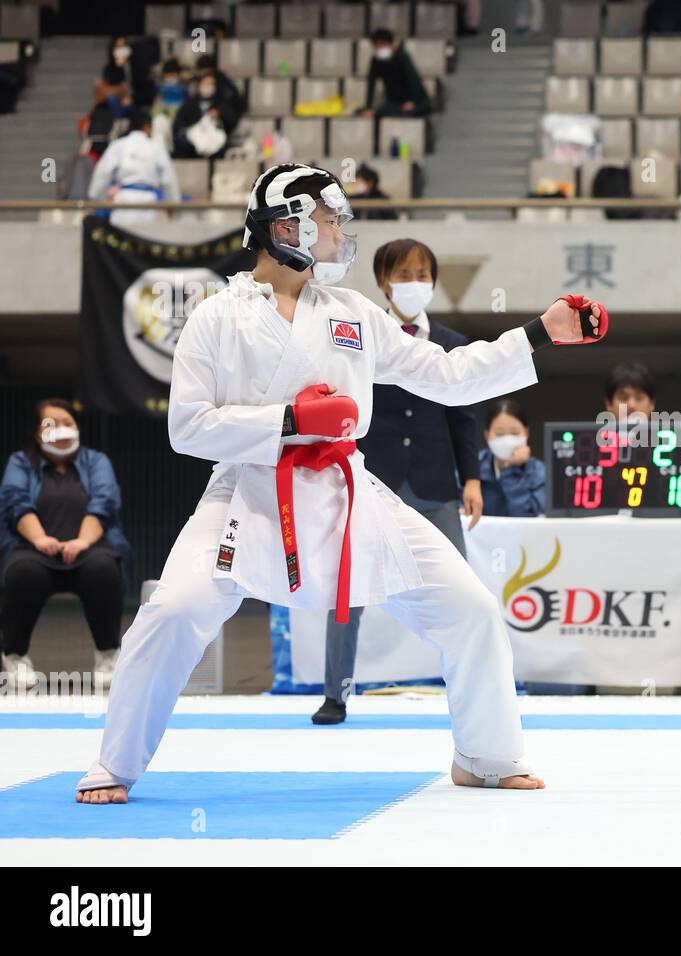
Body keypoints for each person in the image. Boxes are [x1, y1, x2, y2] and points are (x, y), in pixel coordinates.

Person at [74, 163, 608, 804]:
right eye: (328, 219)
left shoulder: (353, 313)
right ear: (285, 225)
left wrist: (538, 332)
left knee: (468, 607)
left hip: (346, 489)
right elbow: (188, 429)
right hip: (247, 490)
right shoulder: (218, 317)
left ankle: (485, 756)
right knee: (173, 610)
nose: (338, 231)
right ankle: (115, 764)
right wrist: (289, 421)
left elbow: (446, 373)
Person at [311, 237, 488, 725]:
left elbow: (464, 417)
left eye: (422, 274)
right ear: (384, 281)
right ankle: (335, 693)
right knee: (347, 593)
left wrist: (471, 478)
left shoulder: (452, 343)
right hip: (371, 482)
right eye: (404, 274)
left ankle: (471, 697)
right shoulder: (357, 337)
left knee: (461, 595)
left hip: (436, 485)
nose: (414, 283)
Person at [1, 399, 131, 690]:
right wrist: (40, 539)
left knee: (103, 570)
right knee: (22, 574)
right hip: (33, 549)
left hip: (89, 547)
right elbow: (15, 503)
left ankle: (108, 654)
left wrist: (82, 541)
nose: (61, 429)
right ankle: (15, 655)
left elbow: (105, 502)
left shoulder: (96, 461)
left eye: (67, 423)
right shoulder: (20, 463)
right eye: (51, 424)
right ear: (37, 433)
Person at [87, 108, 181, 224]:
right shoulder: (156, 148)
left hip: (124, 201)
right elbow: (168, 180)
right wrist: (172, 205)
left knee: (123, 238)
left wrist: (96, 199)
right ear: (147, 127)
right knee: (145, 239)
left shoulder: (118, 145)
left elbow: (102, 174)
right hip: (149, 202)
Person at [478, 397, 546, 517]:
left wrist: (510, 470)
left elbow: (529, 518)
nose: (507, 440)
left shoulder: (539, 472)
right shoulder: (473, 467)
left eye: (514, 433)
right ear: (487, 435)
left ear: (526, 433)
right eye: (499, 434)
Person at [172, 55, 244, 159]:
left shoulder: (221, 104)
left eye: (211, 84)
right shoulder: (189, 105)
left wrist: (220, 113)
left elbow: (232, 120)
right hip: (191, 149)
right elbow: (179, 126)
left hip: (216, 148)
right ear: (199, 85)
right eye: (205, 83)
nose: (208, 87)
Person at [362, 29, 432, 119]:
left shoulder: (402, 57)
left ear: (390, 44)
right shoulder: (376, 61)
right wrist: (368, 107)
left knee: (407, 114)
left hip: (416, 102)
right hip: (394, 103)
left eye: (382, 44)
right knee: (379, 114)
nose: (379, 48)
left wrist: (412, 101)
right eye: (376, 45)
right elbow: (371, 83)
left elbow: (413, 80)